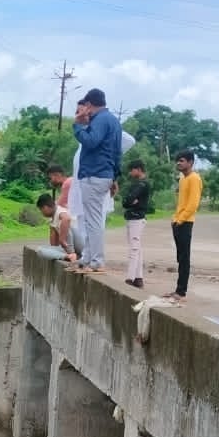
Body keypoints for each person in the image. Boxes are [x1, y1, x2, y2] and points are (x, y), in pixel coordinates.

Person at [69, 88, 123, 274]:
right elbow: (117, 153)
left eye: (86, 107)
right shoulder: (114, 121)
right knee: (93, 219)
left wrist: (77, 125)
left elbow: (91, 141)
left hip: (94, 174)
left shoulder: (99, 120)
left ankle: (96, 260)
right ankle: (87, 257)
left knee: (93, 221)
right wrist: (114, 177)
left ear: (90, 105)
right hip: (105, 174)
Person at [167, 150, 201, 300]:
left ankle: (181, 291)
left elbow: (193, 204)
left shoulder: (194, 178)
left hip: (185, 223)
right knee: (180, 257)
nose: (178, 163)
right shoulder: (182, 179)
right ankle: (178, 290)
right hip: (178, 221)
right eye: (178, 161)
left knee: (184, 257)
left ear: (190, 162)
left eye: (181, 161)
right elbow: (181, 202)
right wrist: (175, 219)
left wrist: (180, 220)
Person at [120, 160, 151, 288]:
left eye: (131, 170)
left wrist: (131, 201)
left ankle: (130, 277)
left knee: (134, 248)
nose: (130, 173)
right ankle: (138, 278)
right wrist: (130, 201)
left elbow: (128, 199)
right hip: (134, 217)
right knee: (137, 248)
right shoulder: (138, 184)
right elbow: (126, 201)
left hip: (136, 218)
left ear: (138, 169)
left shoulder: (142, 184)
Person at [47, 165, 82, 257]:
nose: (51, 181)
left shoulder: (67, 183)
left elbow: (59, 204)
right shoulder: (72, 181)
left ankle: (57, 249)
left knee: (54, 221)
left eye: (51, 178)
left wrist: (51, 205)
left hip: (76, 216)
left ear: (57, 175)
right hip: (79, 213)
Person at [36, 193, 78, 263]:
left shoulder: (60, 211)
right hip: (69, 248)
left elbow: (66, 219)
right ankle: (68, 256)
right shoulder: (53, 218)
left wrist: (62, 239)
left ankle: (71, 254)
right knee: (40, 250)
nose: (42, 213)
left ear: (45, 207)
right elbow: (54, 245)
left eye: (41, 210)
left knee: (64, 226)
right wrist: (52, 228)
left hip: (79, 244)